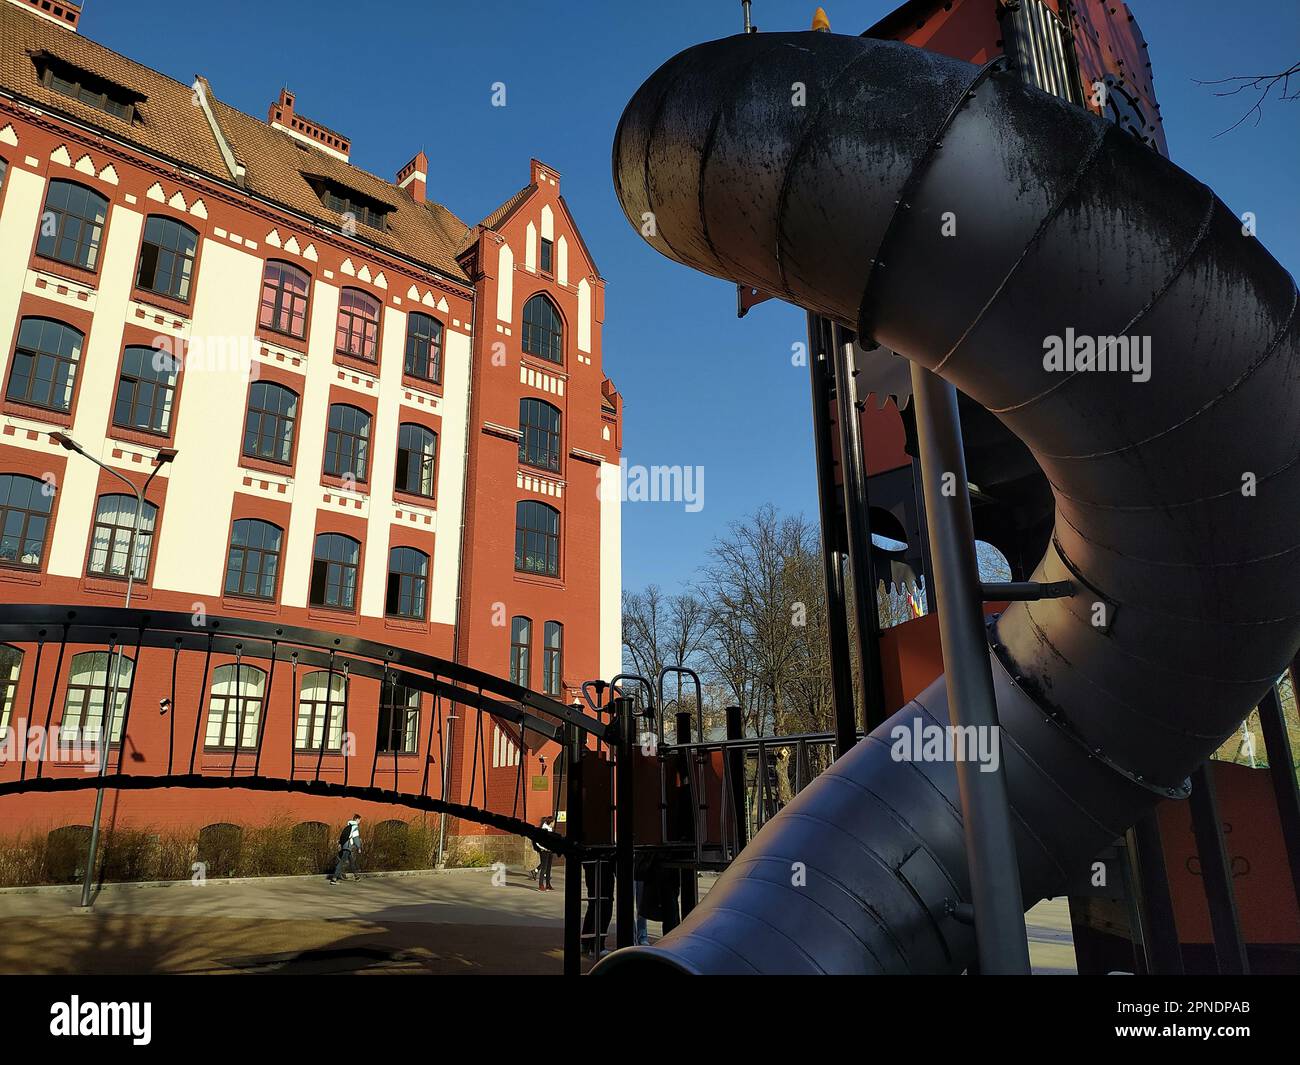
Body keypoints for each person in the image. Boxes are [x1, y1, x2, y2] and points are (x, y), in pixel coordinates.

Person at [328, 813, 362, 884]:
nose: (359, 822)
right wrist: (358, 847)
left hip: (345, 845)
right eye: (359, 820)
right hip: (348, 846)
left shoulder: (348, 826)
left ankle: (356, 876)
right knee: (342, 862)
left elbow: (342, 836)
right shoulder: (355, 827)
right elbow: (356, 838)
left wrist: (340, 844)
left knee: (351, 862)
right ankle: (334, 879)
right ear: (357, 819)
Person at [534, 815, 556, 891]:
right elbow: (538, 842)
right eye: (553, 822)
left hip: (550, 851)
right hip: (544, 851)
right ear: (551, 822)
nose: (554, 823)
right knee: (544, 868)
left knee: (549, 868)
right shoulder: (543, 830)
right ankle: (541, 885)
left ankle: (548, 884)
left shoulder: (550, 829)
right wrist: (544, 848)